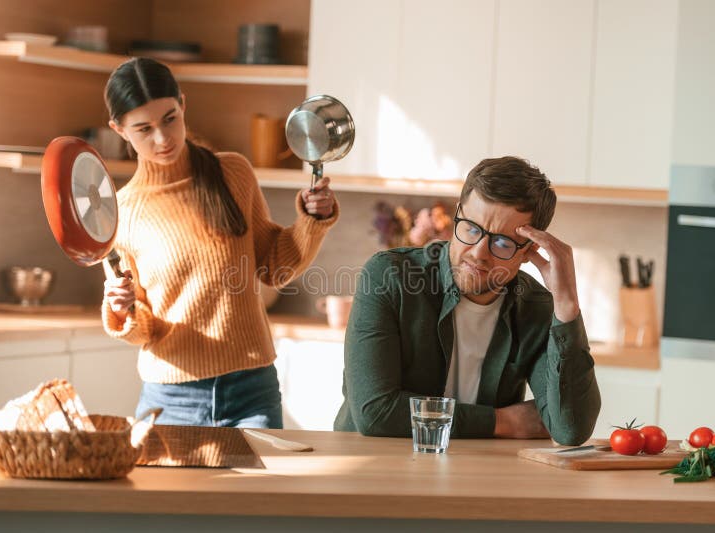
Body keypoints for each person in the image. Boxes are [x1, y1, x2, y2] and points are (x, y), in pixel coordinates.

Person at [101, 57, 339, 428]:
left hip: (251, 391)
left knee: (258, 487)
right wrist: (121, 310)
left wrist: (313, 220)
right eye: (143, 129)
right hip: (170, 400)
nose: (162, 139)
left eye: (169, 118)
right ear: (119, 129)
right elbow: (143, 329)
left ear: (183, 103)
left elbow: (275, 266)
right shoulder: (121, 213)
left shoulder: (232, 172)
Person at [334, 156, 600, 444]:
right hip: (375, 468)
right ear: (458, 213)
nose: (478, 253)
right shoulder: (389, 276)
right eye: (472, 229)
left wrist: (567, 306)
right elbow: (375, 413)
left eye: (502, 242)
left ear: (528, 251)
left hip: (479, 472)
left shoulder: (536, 307)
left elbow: (570, 429)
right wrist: (501, 420)